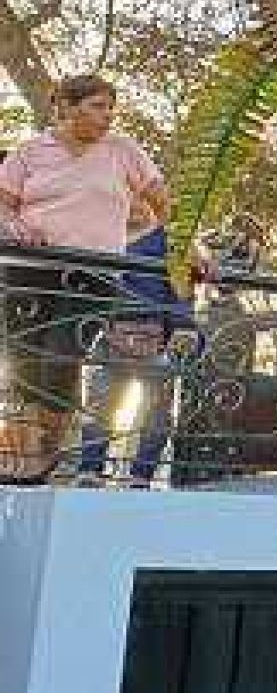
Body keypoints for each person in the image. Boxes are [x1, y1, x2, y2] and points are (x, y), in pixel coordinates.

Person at [0, 75, 167, 482]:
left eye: (111, 107)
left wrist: (138, 237)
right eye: (97, 106)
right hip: (31, 270)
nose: (107, 116)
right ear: (68, 108)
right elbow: (3, 203)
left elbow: (162, 202)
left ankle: (46, 454)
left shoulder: (123, 150)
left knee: (61, 356)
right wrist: (13, 226)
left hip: (93, 274)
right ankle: (27, 457)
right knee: (26, 361)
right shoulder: (31, 152)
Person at [76, 225, 201, 487]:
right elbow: (92, 282)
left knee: (155, 414)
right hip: (113, 334)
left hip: (152, 335)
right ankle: (90, 469)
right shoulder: (110, 225)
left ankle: (141, 475)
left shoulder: (170, 238)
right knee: (101, 407)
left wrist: (183, 325)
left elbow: (181, 285)